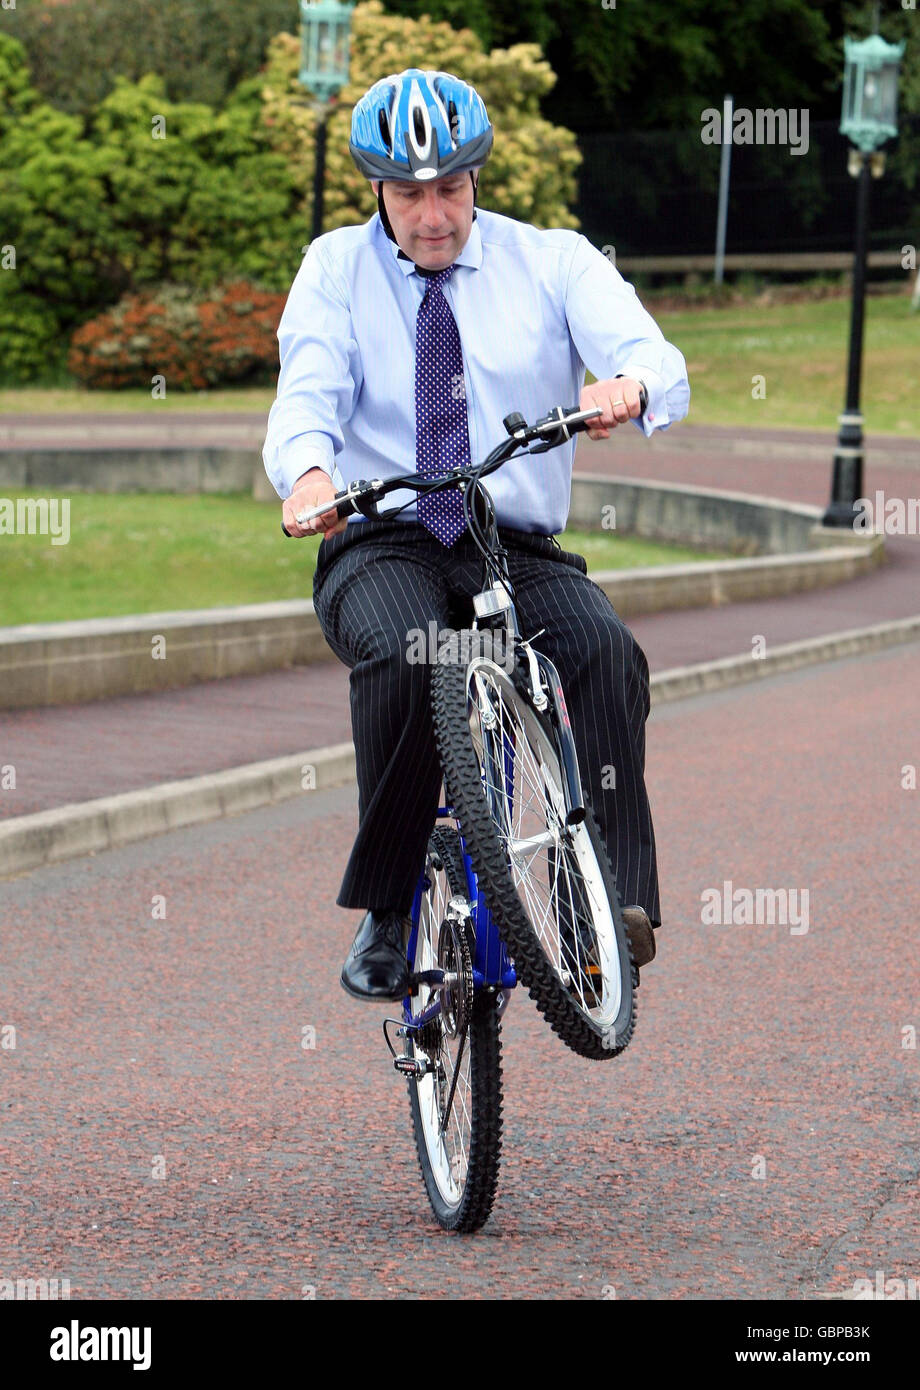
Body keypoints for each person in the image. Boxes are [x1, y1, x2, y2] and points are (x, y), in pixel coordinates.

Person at [262, 68, 690, 1001]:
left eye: (450, 188)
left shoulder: (555, 260)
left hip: (511, 541)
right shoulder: (335, 268)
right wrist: (310, 477)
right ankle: (388, 908)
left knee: (606, 652)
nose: (432, 214)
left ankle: (609, 906)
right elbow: (307, 396)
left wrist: (632, 386)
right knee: (409, 657)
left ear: (478, 179)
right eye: (409, 193)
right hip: (383, 538)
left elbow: (653, 354)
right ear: (376, 188)